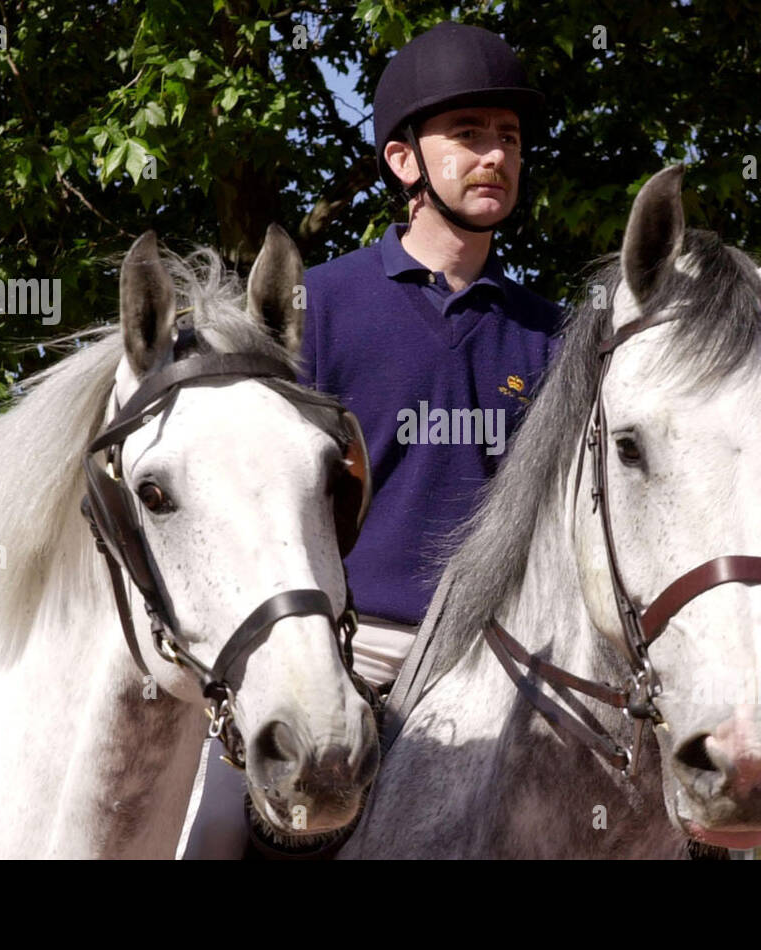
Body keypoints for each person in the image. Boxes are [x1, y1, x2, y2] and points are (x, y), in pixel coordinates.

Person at [180, 21, 563, 859]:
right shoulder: (317, 308)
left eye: (509, 138)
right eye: (467, 136)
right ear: (403, 162)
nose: (495, 156)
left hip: (500, 657)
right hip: (352, 640)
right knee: (208, 834)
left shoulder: (553, 337)